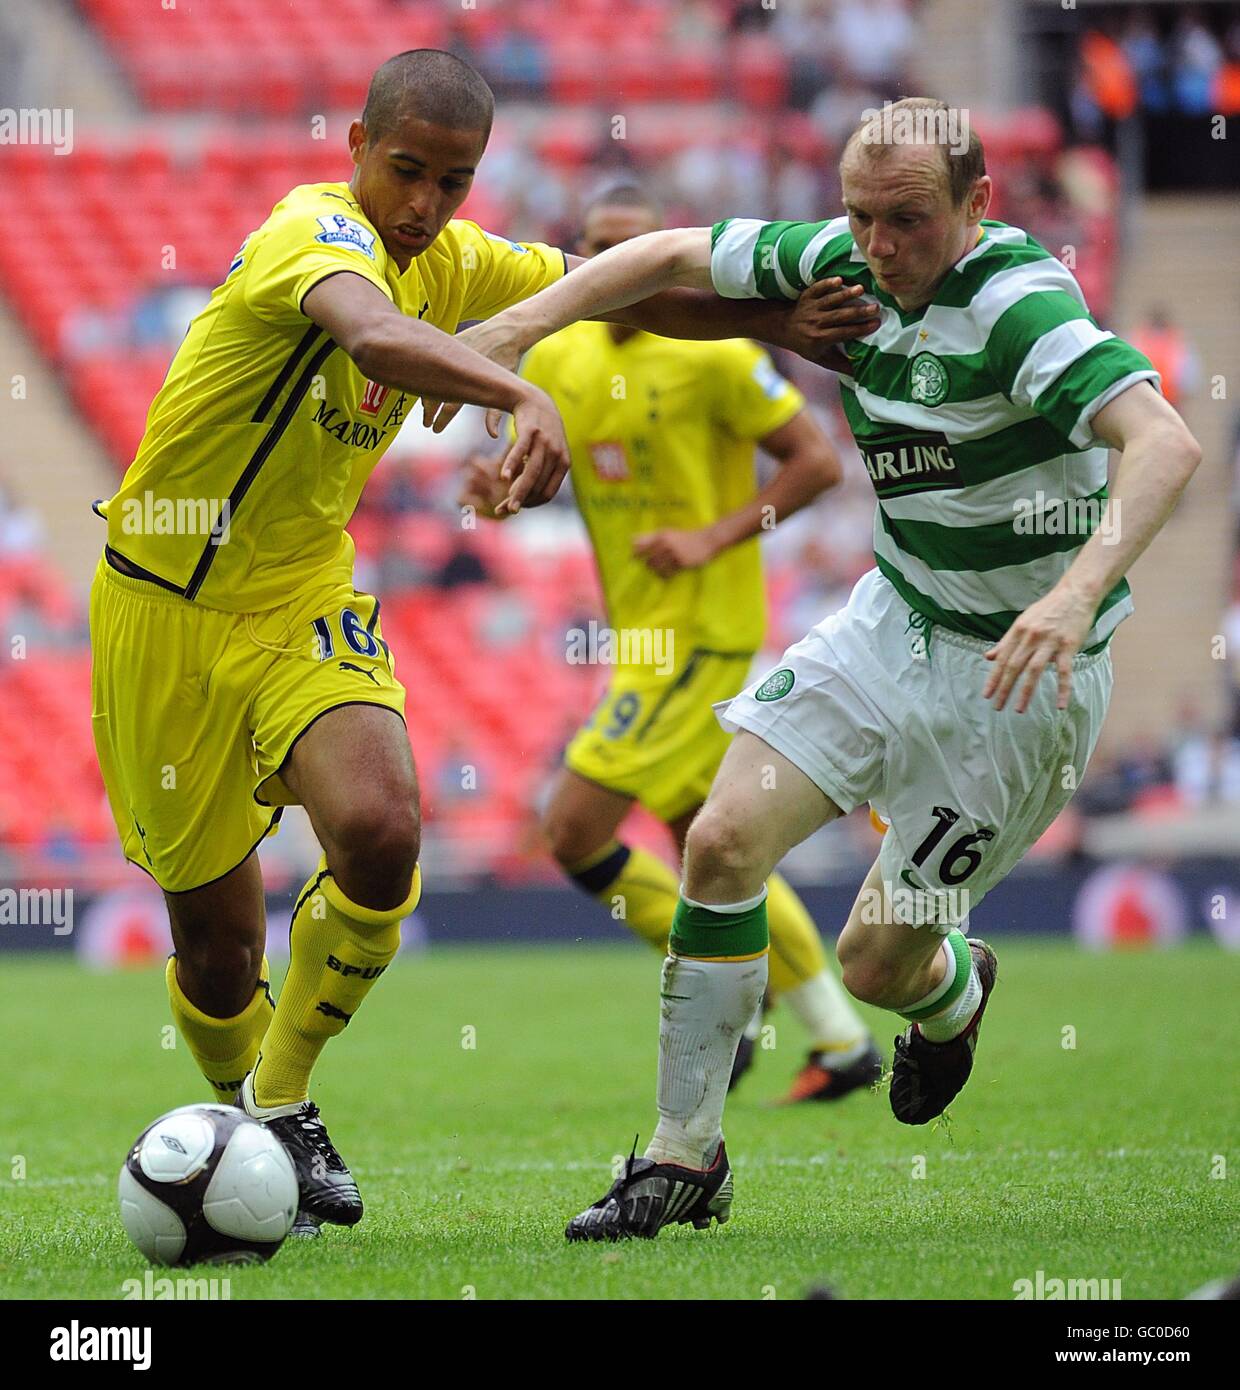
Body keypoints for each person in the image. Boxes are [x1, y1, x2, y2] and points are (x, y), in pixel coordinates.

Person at [89, 49, 875, 1237]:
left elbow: (629, 293)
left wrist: (781, 322)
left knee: (381, 828)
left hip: (301, 594)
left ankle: (284, 1105)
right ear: (354, 148)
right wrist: (523, 395)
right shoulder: (314, 233)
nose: (424, 205)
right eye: (405, 172)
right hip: (161, 601)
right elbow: (367, 338)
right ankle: (238, 1108)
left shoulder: (458, 262)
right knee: (214, 953)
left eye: (452, 183)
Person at [459, 96, 1202, 1241]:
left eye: (906, 219)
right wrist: (515, 334)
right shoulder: (842, 260)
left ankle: (952, 998)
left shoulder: (1017, 303)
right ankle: (680, 1155)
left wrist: (1071, 594)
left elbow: (1163, 440)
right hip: (889, 622)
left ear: (977, 205)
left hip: (1016, 682)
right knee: (717, 841)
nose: (876, 246)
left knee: (875, 963)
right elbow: (662, 252)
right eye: (859, 216)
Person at [460, 184, 882, 1102]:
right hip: (638, 636)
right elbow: (537, 474)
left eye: (637, 248)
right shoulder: (562, 358)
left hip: (702, 633)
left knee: (571, 829)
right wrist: (498, 489)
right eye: (601, 247)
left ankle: (732, 994)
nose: (618, 264)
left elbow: (815, 465)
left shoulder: (719, 358)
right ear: (584, 252)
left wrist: (711, 537)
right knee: (712, 841)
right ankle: (841, 1041)